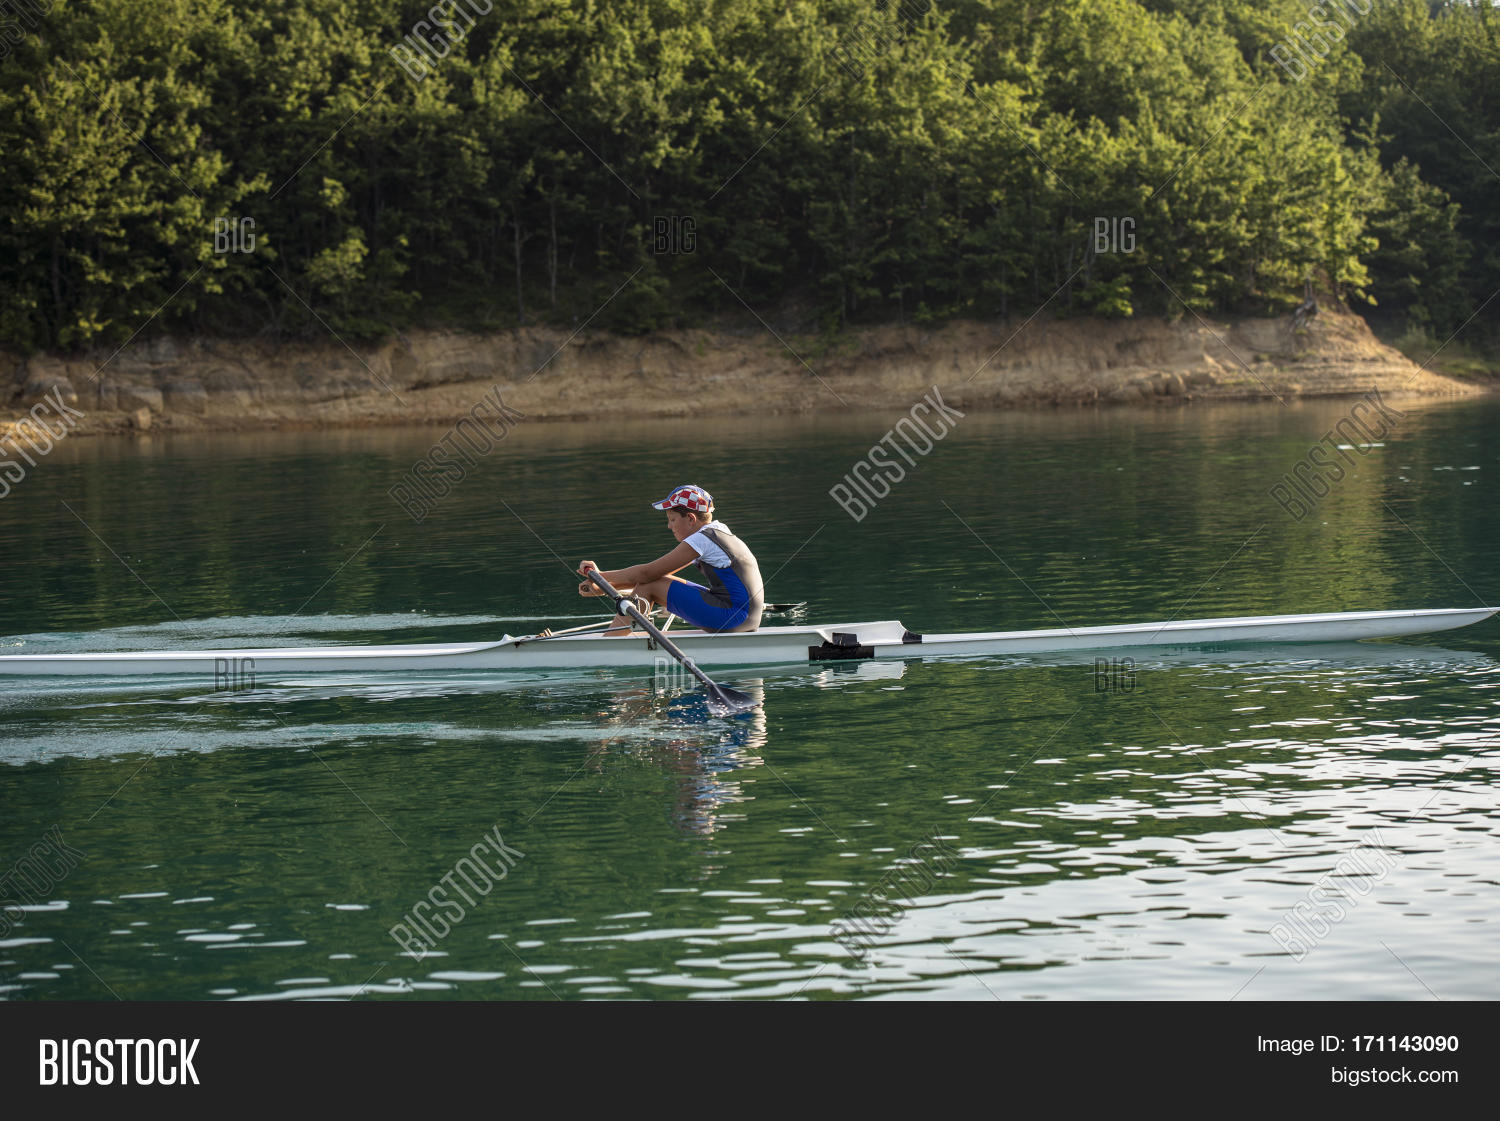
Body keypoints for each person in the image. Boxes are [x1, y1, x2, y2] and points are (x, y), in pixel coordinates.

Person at [577, 484, 765, 636]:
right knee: (653, 582)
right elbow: (656, 576)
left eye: (672, 519)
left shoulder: (703, 539)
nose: (669, 526)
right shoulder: (718, 531)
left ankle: (611, 644)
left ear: (691, 518)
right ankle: (619, 637)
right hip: (743, 617)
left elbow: (646, 573)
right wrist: (603, 587)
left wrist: (599, 576)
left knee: (649, 584)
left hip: (733, 617)